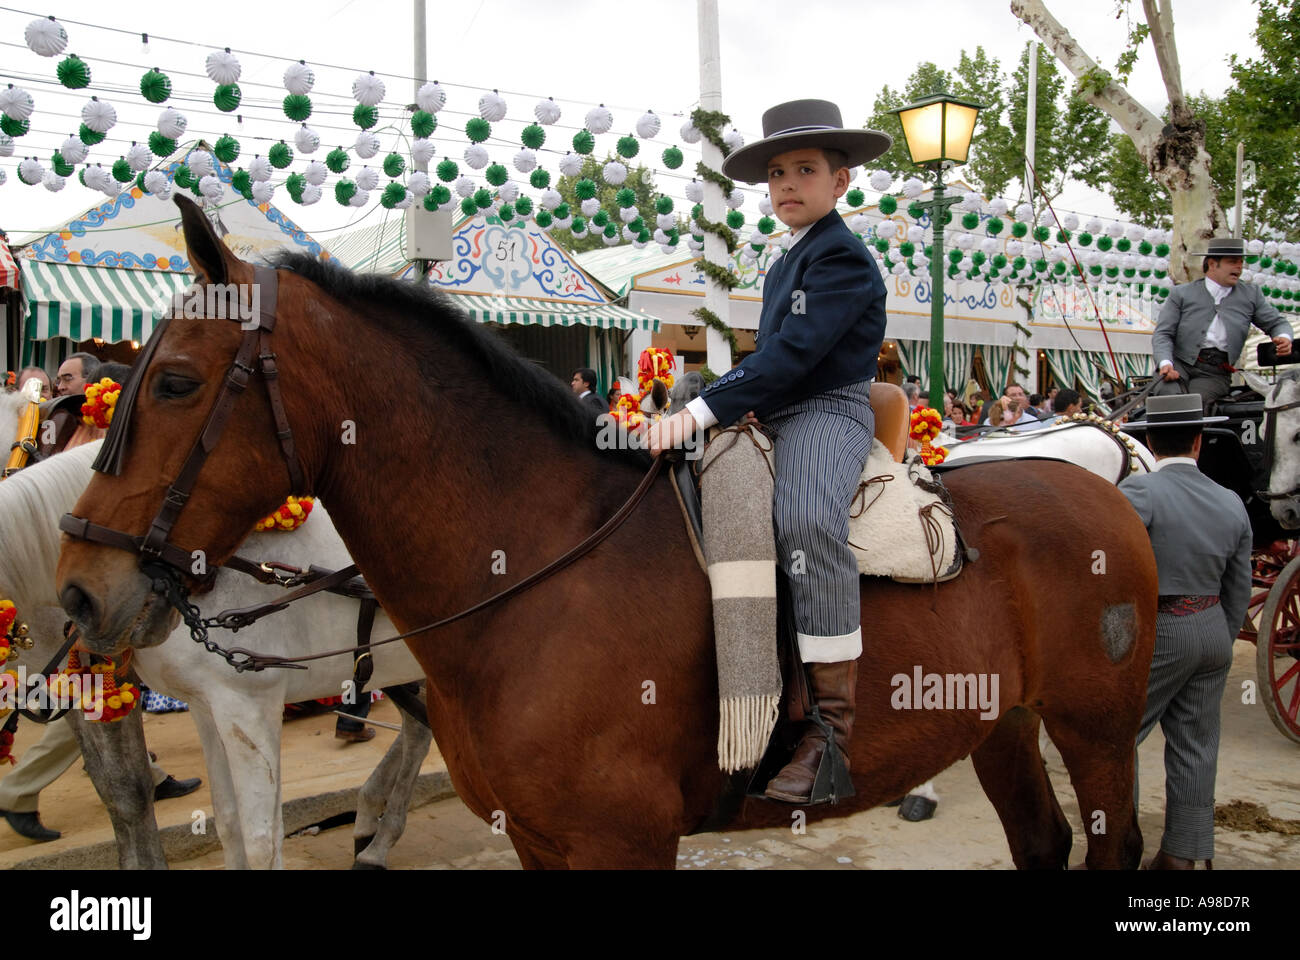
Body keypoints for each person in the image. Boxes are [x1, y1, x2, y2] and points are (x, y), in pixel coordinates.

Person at [644, 98, 890, 803]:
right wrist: (708, 391)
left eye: (804, 169)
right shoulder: (790, 257)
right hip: (774, 407)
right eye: (777, 171)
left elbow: (796, 356)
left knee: (807, 521)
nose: (786, 183)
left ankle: (832, 731)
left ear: (840, 182)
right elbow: (770, 359)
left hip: (827, 410)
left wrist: (697, 409)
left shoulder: (839, 254)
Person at [1118, 394, 1251, 869]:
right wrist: (1219, 634)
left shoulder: (1139, 492)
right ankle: (1184, 854)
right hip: (1214, 628)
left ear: (1150, 441)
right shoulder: (1231, 501)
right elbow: (1240, 587)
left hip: (1160, 630)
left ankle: (1116, 849)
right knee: (1196, 745)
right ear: (1199, 442)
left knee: (1118, 739)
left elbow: (1117, 577)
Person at [1152, 237, 1294, 412]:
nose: (1239, 267)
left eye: (1241, 262)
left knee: (1192, 406)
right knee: (1167, 399)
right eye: (1232, 262)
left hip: (1215, 373)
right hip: (1178, 364)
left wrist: (1284, 337)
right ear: (1212, 264)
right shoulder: (1181, 294)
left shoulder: (1251, 295)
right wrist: (1166, 363)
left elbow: (1277, 323)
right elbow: (1163, 334)